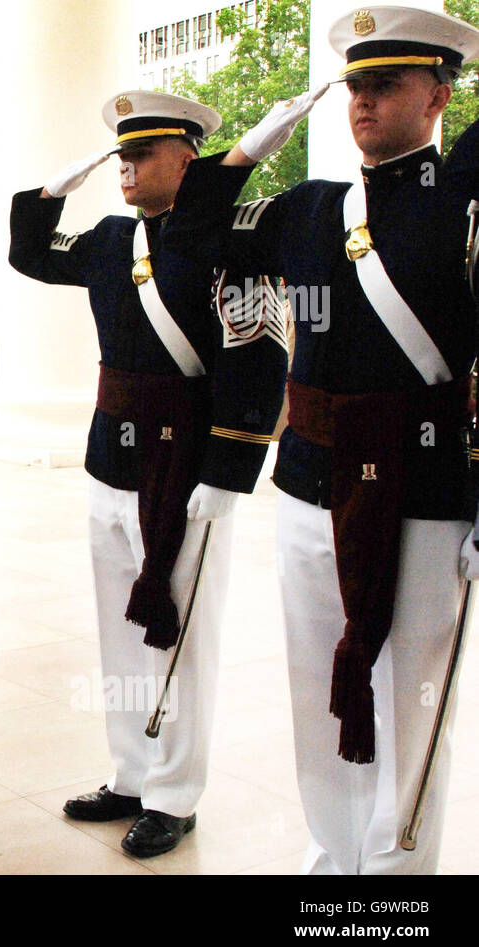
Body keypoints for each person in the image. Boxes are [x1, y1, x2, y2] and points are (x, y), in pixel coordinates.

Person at [166, 5, 479, 874]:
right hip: (309, 477)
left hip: (422, 493)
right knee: (320, 686)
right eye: (355, 86)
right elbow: (190, 237)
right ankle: (335, 859)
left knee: (410, 698)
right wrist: (250, 147)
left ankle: (397, 882)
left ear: (439, 95)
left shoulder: (460, 201)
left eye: (388, 85)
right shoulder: (309, 209)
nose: (365, 103)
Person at [9, 92, 289, 857]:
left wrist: (230, 469)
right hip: (113, 455)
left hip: (189, 458)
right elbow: (30, 255)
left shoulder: (228, 239)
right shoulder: (107, 240)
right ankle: (131, 771)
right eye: (120, 155)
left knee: (181, 635)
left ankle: (173, 792)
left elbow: (258, 351)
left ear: (189, 157)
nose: (126, 165)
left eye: (144, 152)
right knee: (119, 628)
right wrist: (50, 192)